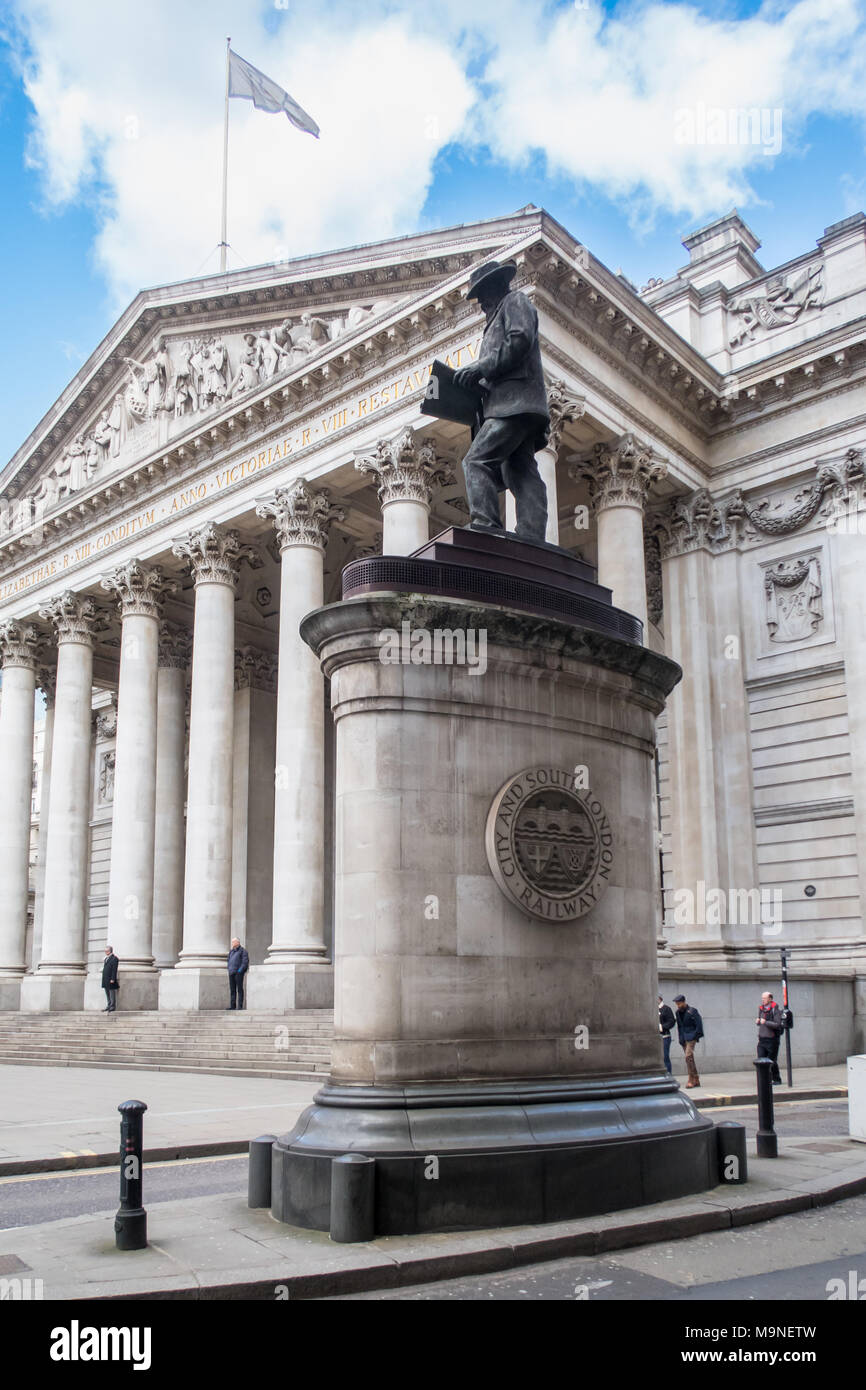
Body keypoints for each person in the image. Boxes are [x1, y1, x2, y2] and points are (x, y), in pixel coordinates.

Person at [452, 259, 550, 542]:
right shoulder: (497, 316)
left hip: (515, 403)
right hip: (510, 403)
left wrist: (481, 368)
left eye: (482, 294)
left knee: (475, 461)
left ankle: (486, 525)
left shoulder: (515, 301)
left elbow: (519, 340)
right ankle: (532, 537)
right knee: (519, 471)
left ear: (496, 287)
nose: (481, 302)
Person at [673, 993, 704, 1088]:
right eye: (677, 1004)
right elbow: (679, 1026)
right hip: (683, 1038)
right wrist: (680, 1038)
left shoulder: (692, 1011)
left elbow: (699, 1024)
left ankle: (691, 1079)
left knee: (688, 1056)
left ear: (683, 1002)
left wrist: (695, 1036)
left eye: (679, 1003)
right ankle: (696, 1078)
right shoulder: (677, 1013)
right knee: (690, 1059)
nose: (678, 1006)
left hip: (691, 1037)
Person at [756, 990, 783, 1084]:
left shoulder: (775, 1010)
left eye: (765, 998)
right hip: (762, 1039)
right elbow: (761, 1022)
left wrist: (765, 1022)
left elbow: (777, 1024)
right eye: (762, 998)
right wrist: (758, 1021)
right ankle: (764, 1079)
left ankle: (776, 1079)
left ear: (770, 999)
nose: (763, 1000)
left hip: (772, 1039)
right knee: (760, 1059)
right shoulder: (761, 1008)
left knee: (772, 1061)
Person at [227, 937, 249, 1010]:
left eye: (233, 942)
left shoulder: (243, 951)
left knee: (239, 989)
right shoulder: (231, 952)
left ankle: (240, 1006)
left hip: (238, 973)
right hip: (231, 972)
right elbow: (229, 961)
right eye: (232, 942)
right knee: (232, 990)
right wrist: (229, 969)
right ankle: (232, 1006)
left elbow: (245, 962)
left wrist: (240, 971)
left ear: (237, 943)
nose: (232, 943)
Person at [658, 994, 675, 1075]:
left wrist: (661, 1027)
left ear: (659, 999)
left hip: (664, 1036)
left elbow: (671, 1022)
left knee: (665, 1057)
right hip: (654, 1038)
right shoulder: (651, 1009)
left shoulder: (666, 1009)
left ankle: (668, 1074)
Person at [102, 944, 119, 1013]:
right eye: (105, 951)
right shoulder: (106, 958)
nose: (105, 952)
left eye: (106, 951)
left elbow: (114, 970)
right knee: (107, 993)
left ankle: (112, 1006)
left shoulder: (114, 958)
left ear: (110, 951)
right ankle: (108, 1005)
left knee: (111, 993)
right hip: (105, 979)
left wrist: (113, 979)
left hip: (111, 979)